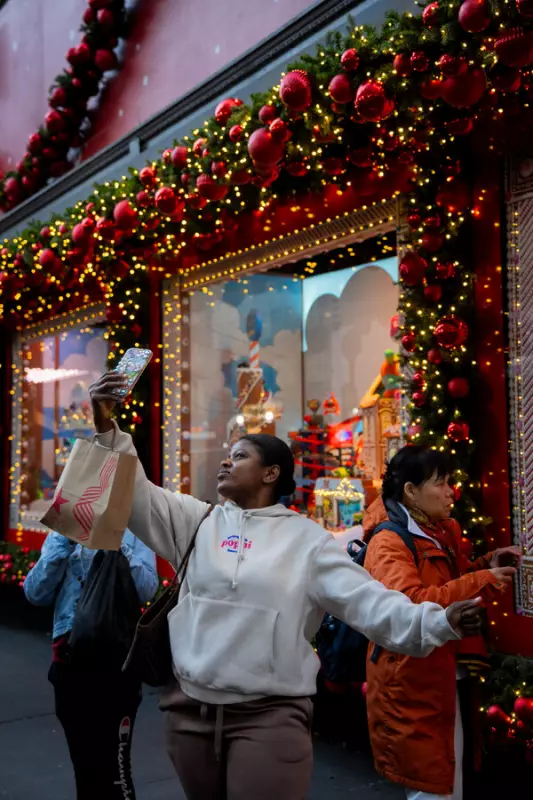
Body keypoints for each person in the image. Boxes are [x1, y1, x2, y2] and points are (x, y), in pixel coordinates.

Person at [88, 371, 485, 800]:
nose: (225, 461)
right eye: (228, 455)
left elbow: (373, 605)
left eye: (239, 456)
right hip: (188, 715)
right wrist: (106, 427)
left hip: (269, 719)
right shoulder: (197, 521)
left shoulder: (308, 541)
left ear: (270, 473)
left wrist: (440, 620)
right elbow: (133, 491)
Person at [362, 445, 520, 800]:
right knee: (430, 785)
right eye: (442, 483)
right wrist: (484, 579)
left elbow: (448, 582)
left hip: (443, 670)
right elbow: (411, 605)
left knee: (446, 777)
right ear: (410, 491)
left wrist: (486, 564)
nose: (452, 492)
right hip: (410, 675)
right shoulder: (388, 540)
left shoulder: (438, 530)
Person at [24, 528, 158, 800]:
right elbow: (35, 592)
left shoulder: (133, 529)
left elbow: (147, 588)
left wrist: (118, 544)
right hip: (70, 662)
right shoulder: (64, 528)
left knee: (116, 771)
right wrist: (63, 541)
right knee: (84, 767)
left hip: (117, 664)